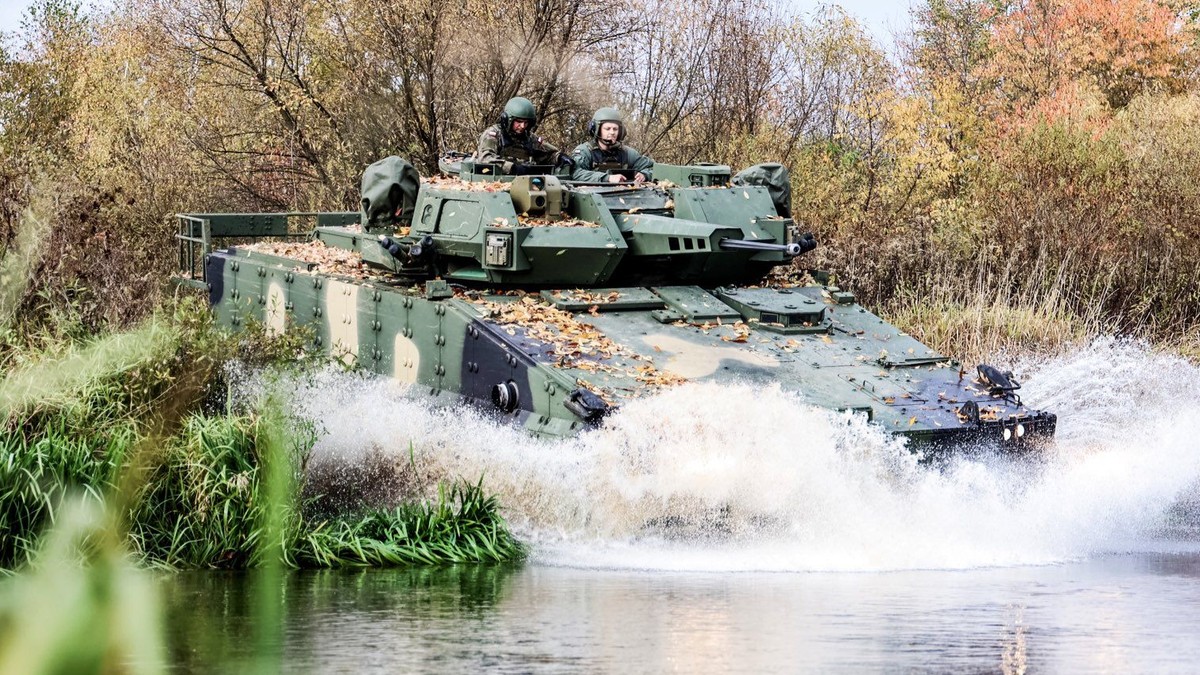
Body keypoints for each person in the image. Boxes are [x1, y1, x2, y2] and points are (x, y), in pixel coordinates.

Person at [475, 97, 567, 174]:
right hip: (497, 182)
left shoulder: (529, 138)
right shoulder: (494, 135)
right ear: (507, 119)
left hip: (525, 183)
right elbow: (485, 159)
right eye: (519, 122)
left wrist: (559, 157)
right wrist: (512, 168)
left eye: (526, 122)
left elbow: (547, 155)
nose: (522, 126)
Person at [571, 107, 654, 183]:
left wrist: (645, 175)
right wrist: (607, 178)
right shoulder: (585, 151)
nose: (612, 132)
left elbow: (653, 168)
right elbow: (576, 173)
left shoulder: (627, 153)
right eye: (607, 129)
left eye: (615, 129)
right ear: (597, 130)